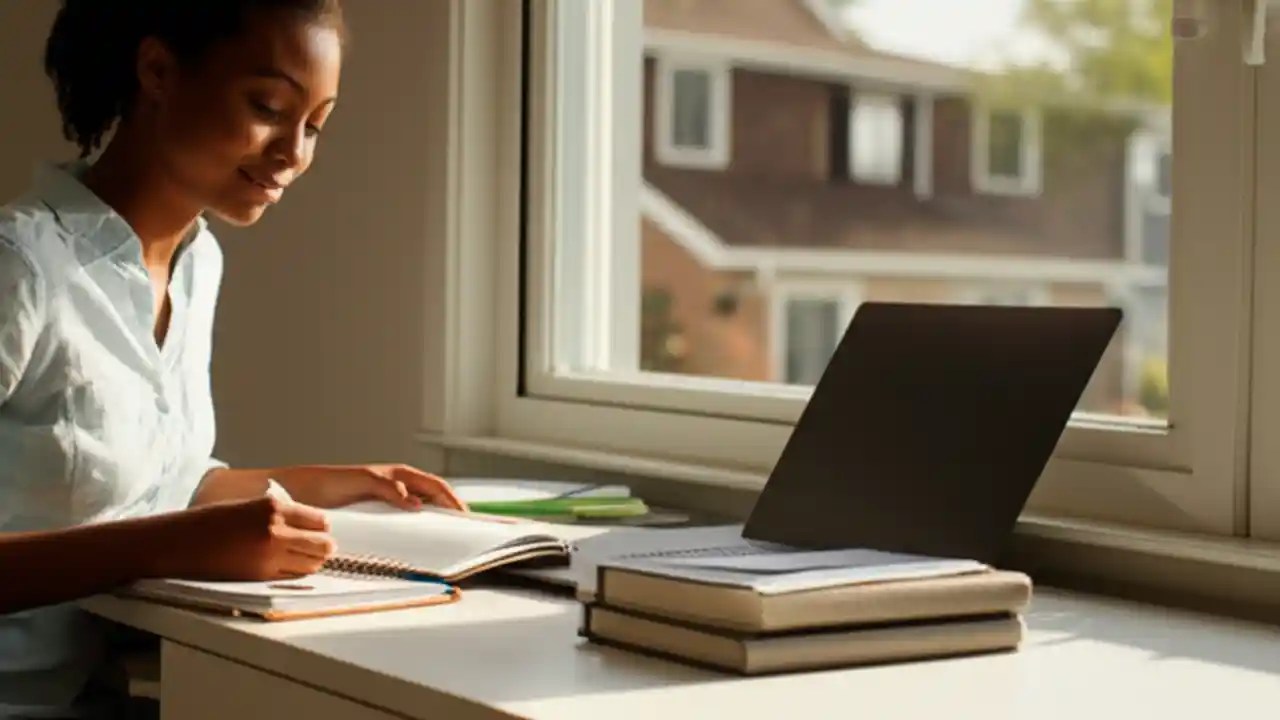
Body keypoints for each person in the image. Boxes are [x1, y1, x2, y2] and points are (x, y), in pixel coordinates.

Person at [0, 2, 467, 716]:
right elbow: (146, 527)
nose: (295, 154)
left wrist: (336, 481)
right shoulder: (21, 268)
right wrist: (166, 548)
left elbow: (154, 481)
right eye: (269, 107)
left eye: (315, 125)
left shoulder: (197, 263)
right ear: (158, 70)